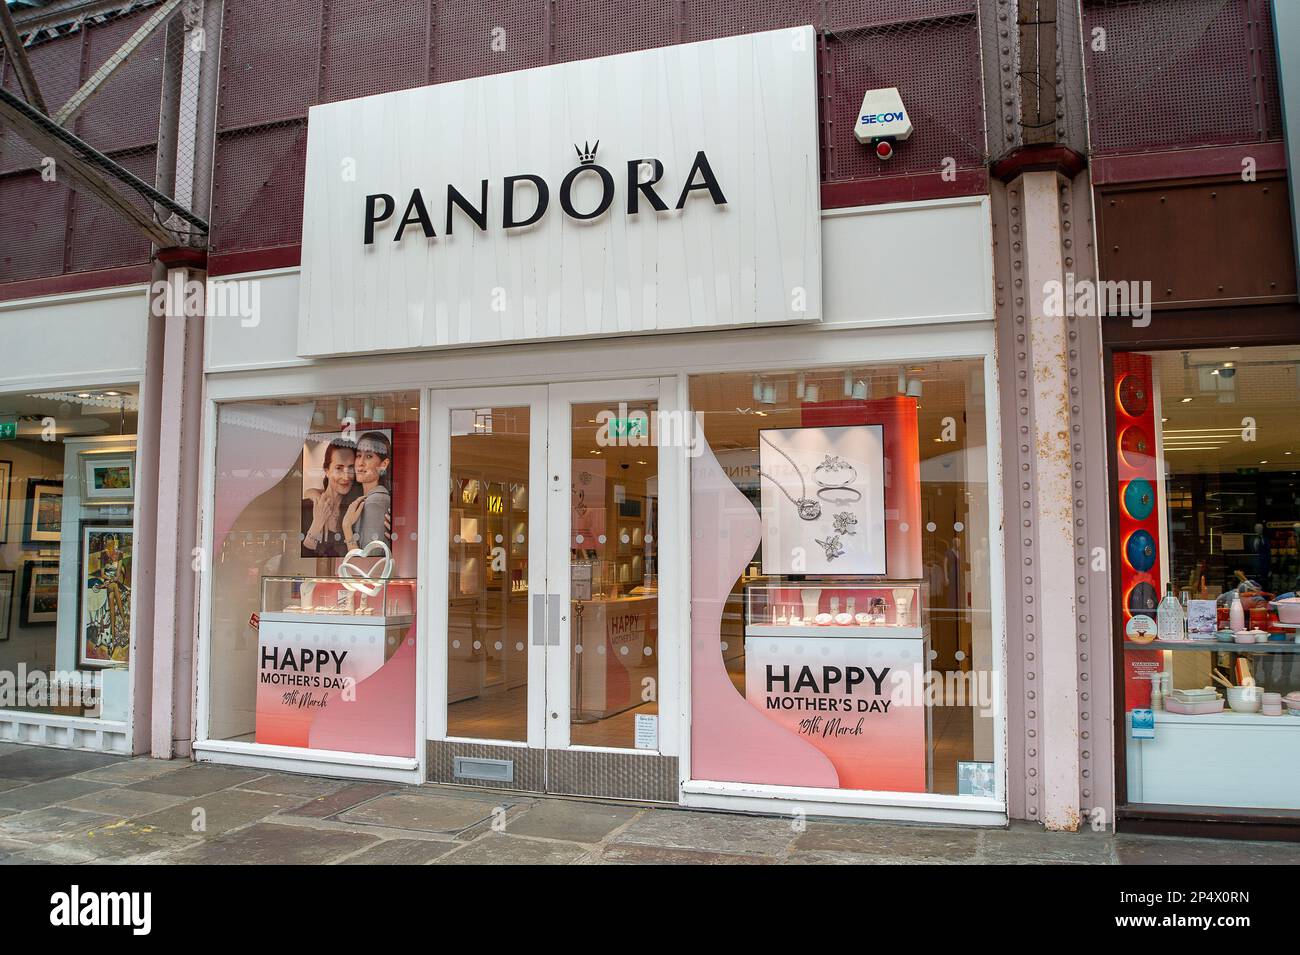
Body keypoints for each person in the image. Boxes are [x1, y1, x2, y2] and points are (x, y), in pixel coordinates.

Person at [302, 439, 358, 557]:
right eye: (339, 468)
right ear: (326, 471)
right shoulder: (306, 508)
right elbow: (302, 557)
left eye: (351, 468)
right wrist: (317, 524)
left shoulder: (355, 510)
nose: (346, 476)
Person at [342, 431, 392, 551]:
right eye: (358, 456)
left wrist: (347, 527)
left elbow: (369, 559)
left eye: (369, 456)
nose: (360, 463)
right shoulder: (366, 498)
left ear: (383, 464)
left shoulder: (376, 501)